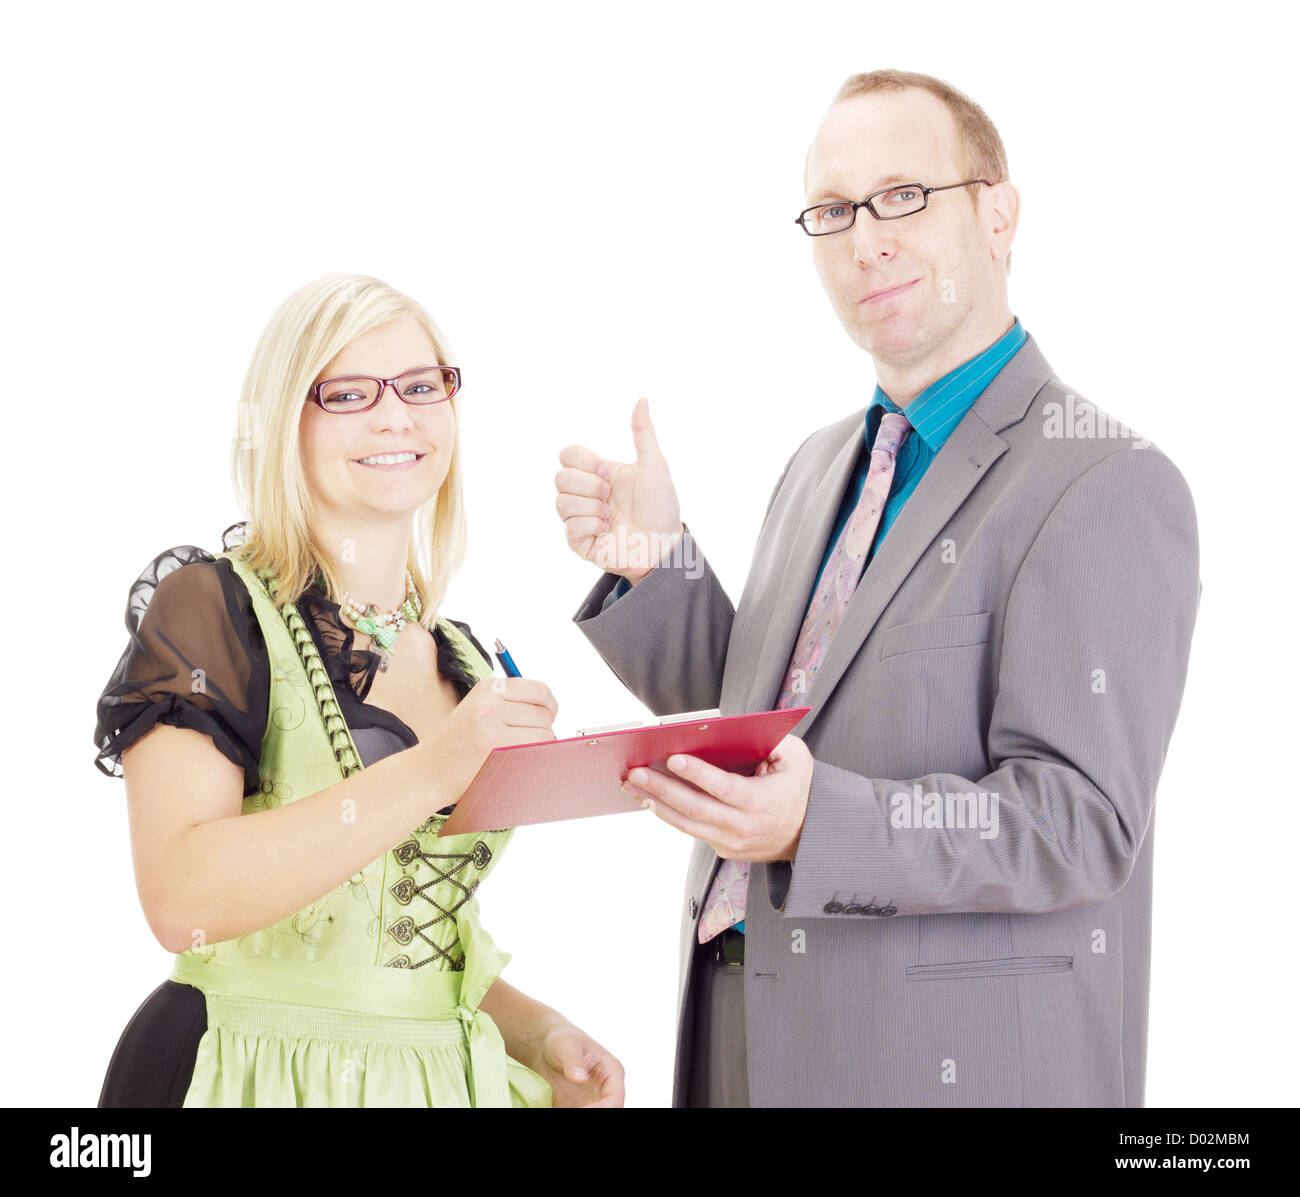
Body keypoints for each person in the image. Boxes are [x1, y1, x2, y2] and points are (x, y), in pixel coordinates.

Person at [554, 69, 1200, 1107]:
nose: (865, 239)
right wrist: (655, 562)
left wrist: (820, 830)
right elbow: (784, 724)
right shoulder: (819, 467)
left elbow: (1079, 823)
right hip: (739, 1026)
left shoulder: (1101, 482)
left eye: (904, 195)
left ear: (998, 216)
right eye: (832, 211)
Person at [95, 272, 624, 1108]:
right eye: (347, 393)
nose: (396, 415)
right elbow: (179, 895)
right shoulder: (211, 608)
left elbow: (395, 942)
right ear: (281, 424)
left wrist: (538, 1030)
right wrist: (433, 769)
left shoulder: (463, 660)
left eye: (422, 385)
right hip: (251, 1074)